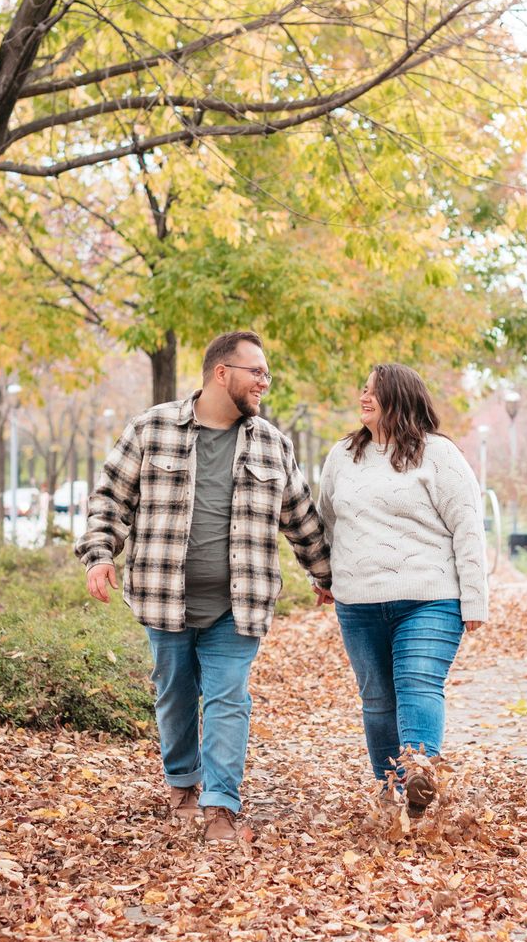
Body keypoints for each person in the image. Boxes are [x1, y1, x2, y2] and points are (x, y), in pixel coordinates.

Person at [76, 332, 332, 843]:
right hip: (163, 596)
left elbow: (301, 517)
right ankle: (183, 785)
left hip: (239, 603)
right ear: (221, 373)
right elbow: (110, 499)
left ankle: (220, 805)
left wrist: (325, 576)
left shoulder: (272, 443)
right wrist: (100, 555)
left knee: (228, 697)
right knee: (173, 695)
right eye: (256, 371)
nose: (265, 381)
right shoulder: (153, 429)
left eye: (267, 373)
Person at [318, 363, 487, 813]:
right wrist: (323, 578)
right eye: (363, 388)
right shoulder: (342, 456)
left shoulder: (439, 455)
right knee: (377, 699)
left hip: (430, 599)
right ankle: (392, 794)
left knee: (416, 683)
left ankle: (418, 775)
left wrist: (475, 598)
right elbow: (328, 524)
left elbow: (468, 528)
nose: (363, 397)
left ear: (399, 397)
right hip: (357, 602)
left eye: (374, 390)